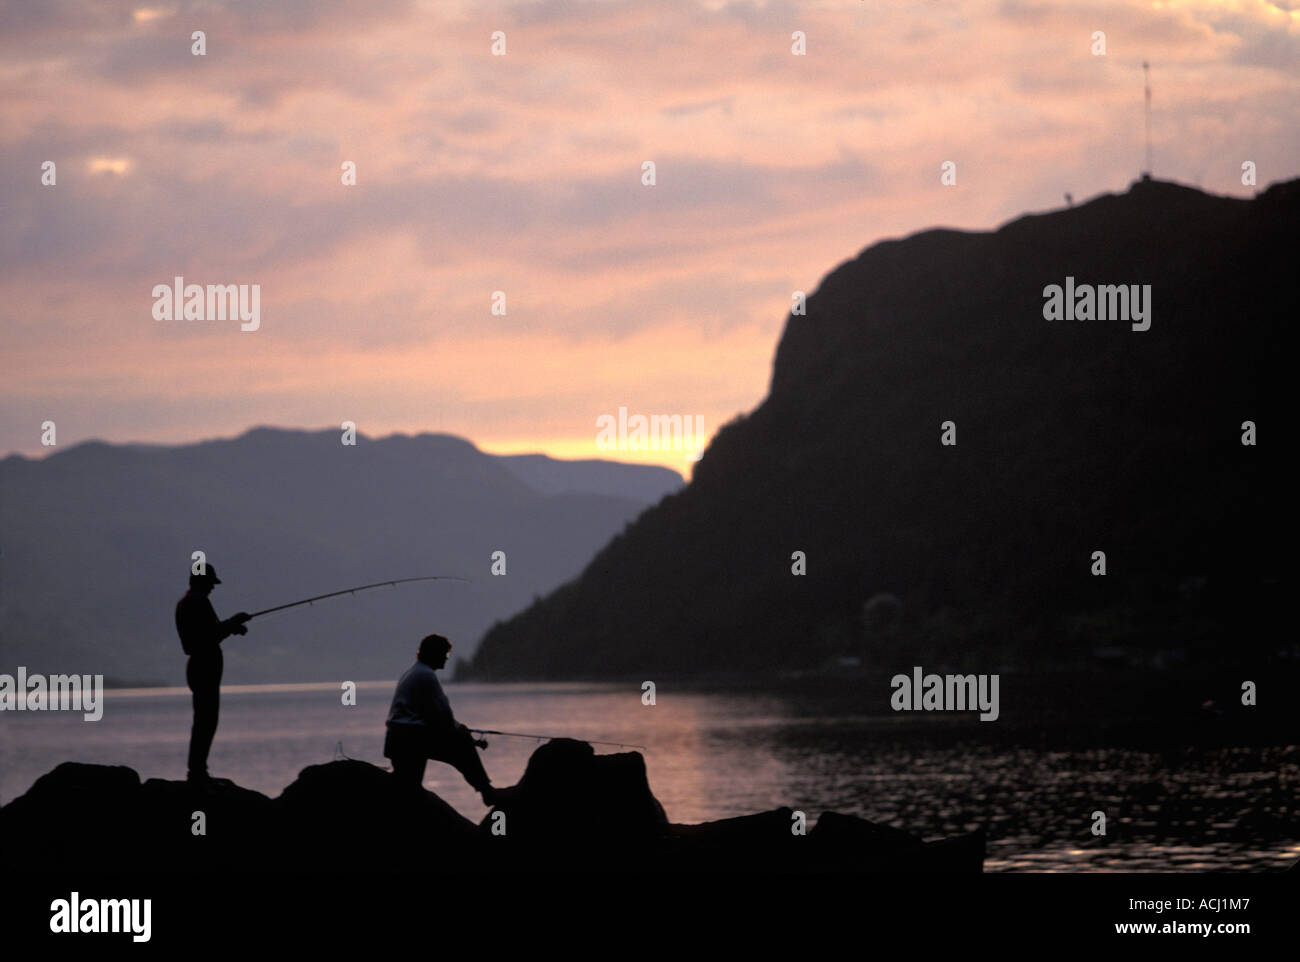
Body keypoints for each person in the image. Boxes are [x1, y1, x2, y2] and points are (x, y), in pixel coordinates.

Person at [384, 633, 499, 805]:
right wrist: (460, 730)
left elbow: (433, 715)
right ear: (434, 654)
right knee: (463, 744)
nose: (446, 659)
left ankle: (485, 790)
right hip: (412, 739)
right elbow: (442, 714)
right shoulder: (426, 675)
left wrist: (456, 727)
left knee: (409, 787)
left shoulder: (413, 672)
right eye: (445, 654)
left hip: (396, 739)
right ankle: (487, 791)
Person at [174, 564, 250, 785]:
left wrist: (231, 628)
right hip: (203, 668)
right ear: (201, 581)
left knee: (205, 721)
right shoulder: (195, 603)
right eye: (210, 583)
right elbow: (205, 637)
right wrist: (233, 622)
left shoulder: (189, 602)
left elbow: (209, 634)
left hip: (201, 668)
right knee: (205, 721)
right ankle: (196, 771)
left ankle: (198, 770)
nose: (212, 588)